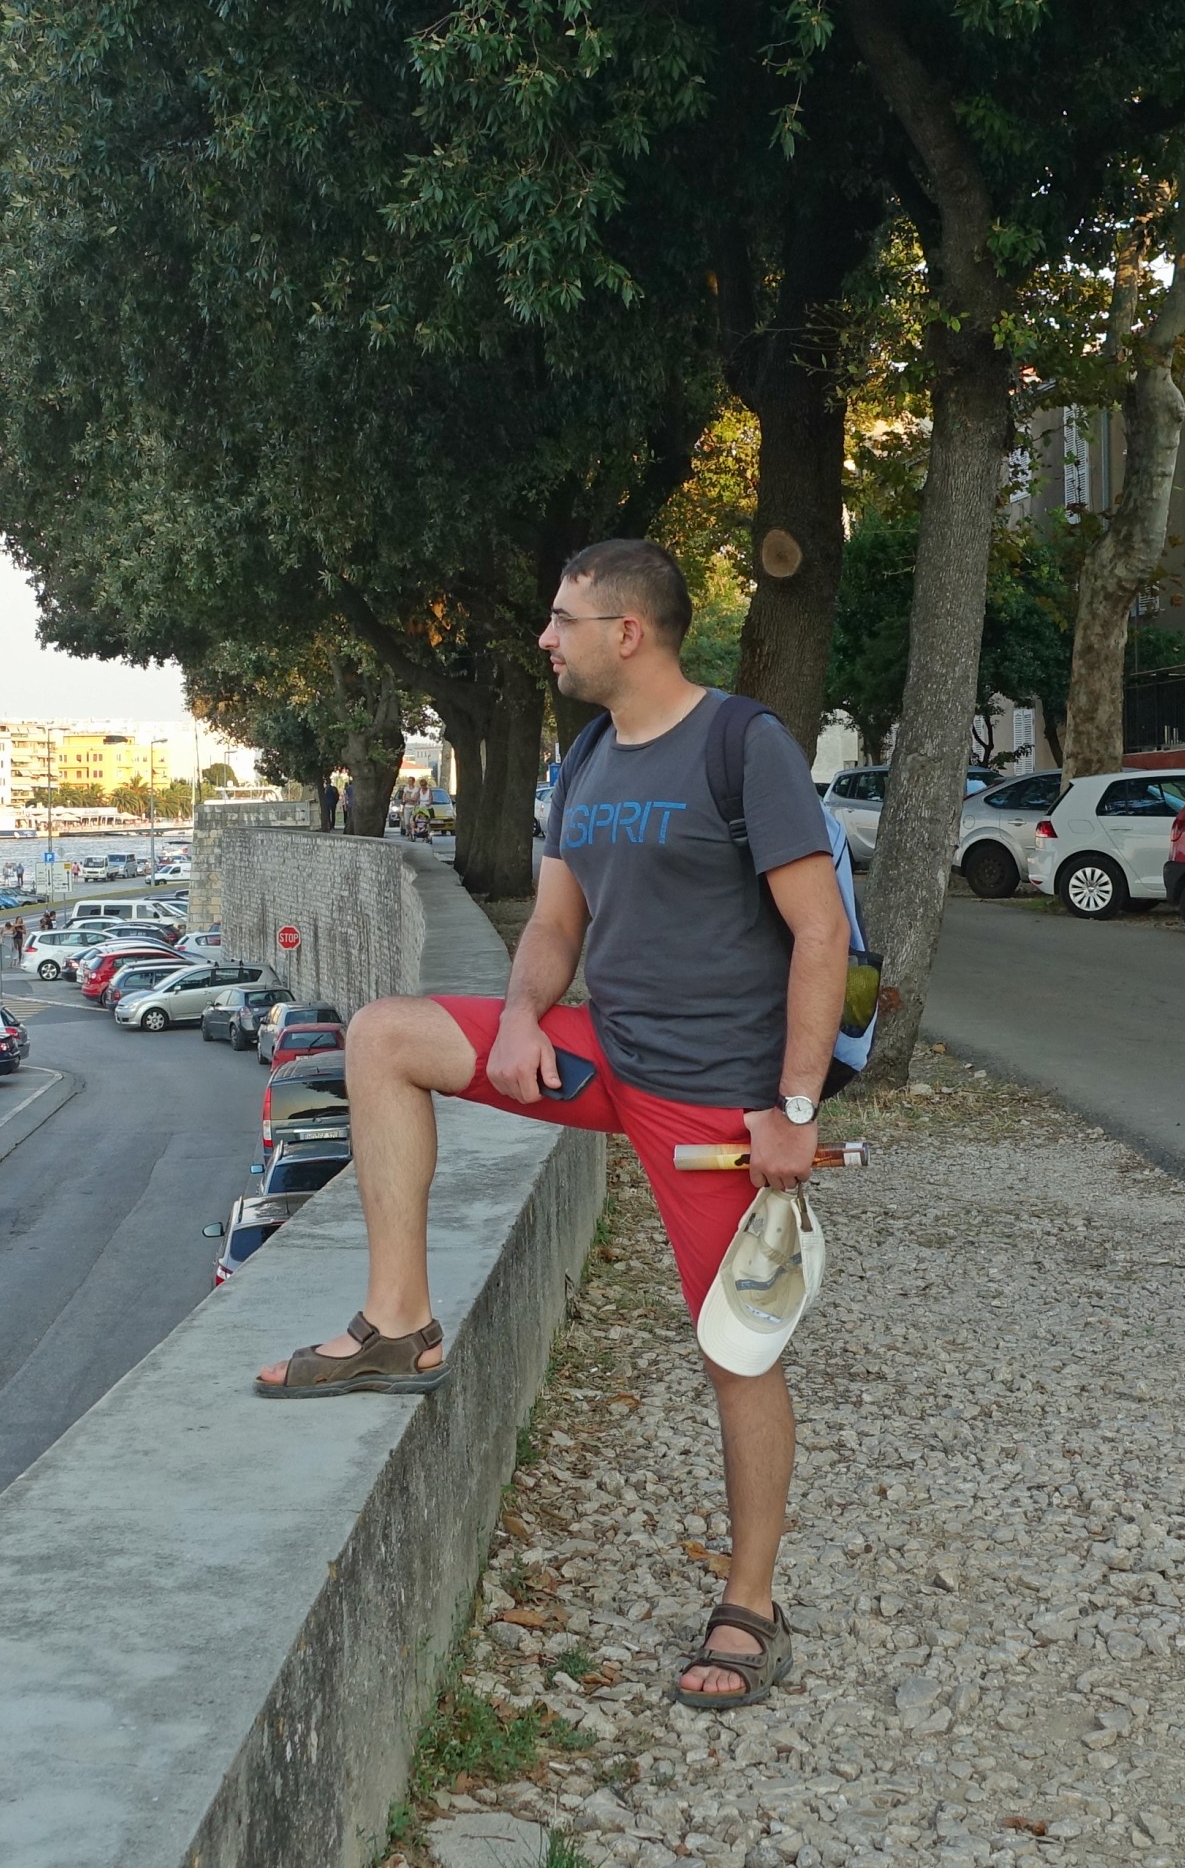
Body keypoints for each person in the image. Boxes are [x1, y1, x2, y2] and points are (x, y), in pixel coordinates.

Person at [251, 537, 849, 1712]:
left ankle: (752, 1605)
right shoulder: (584, 756)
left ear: (628, 630)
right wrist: (525, 1014)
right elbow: (555, 921)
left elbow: (820, 931)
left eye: (563, 619)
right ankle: (398, 1322)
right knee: (382, 1034)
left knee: (739, 1348)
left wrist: (792, 1106)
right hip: (601, 1052)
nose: (546, 638)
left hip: (712, 1096)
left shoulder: (742, 744)